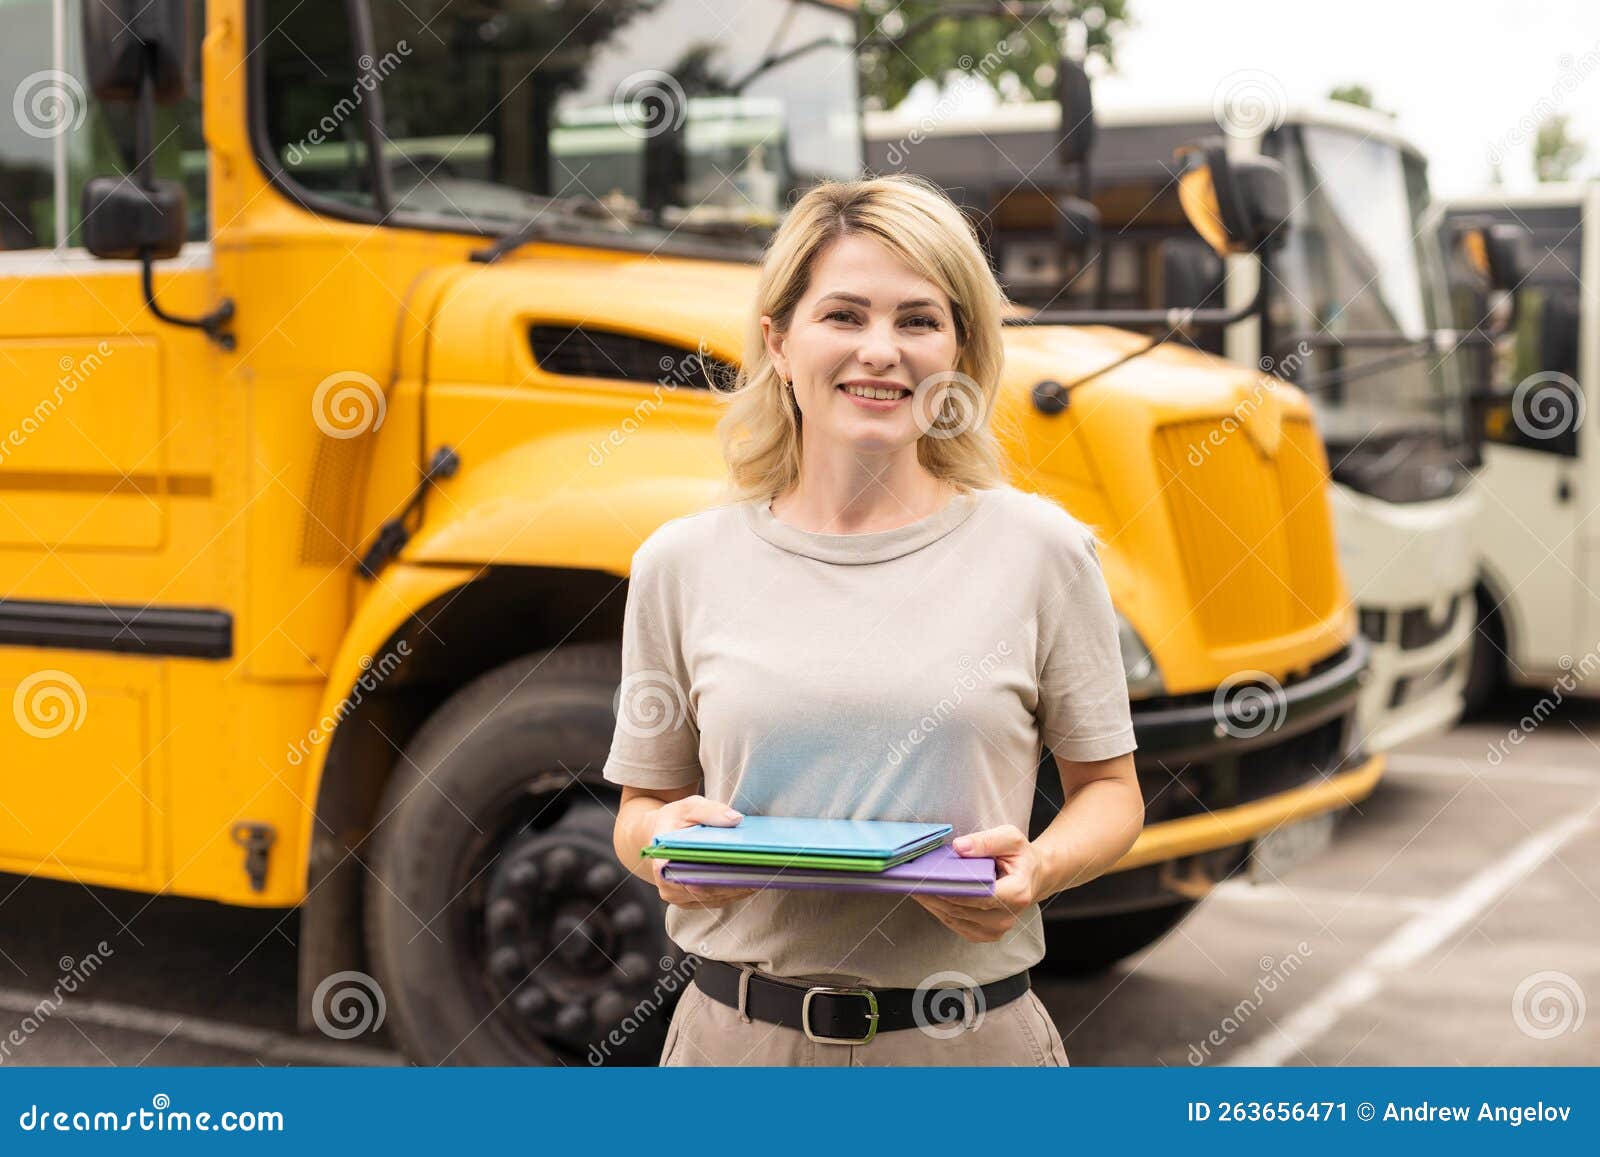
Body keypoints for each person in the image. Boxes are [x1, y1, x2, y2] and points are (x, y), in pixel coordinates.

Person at [603, 173, 1143, 1066]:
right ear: (779, 342)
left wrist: (1037, 869)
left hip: (965, 1053)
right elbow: (639, 807)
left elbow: (1112, 794)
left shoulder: (1043, 550)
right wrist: (661, 852)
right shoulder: (678, 563)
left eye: (919, 320)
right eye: (844, 316)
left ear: (961, 350)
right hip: (735, 1054)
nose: (881, 350)